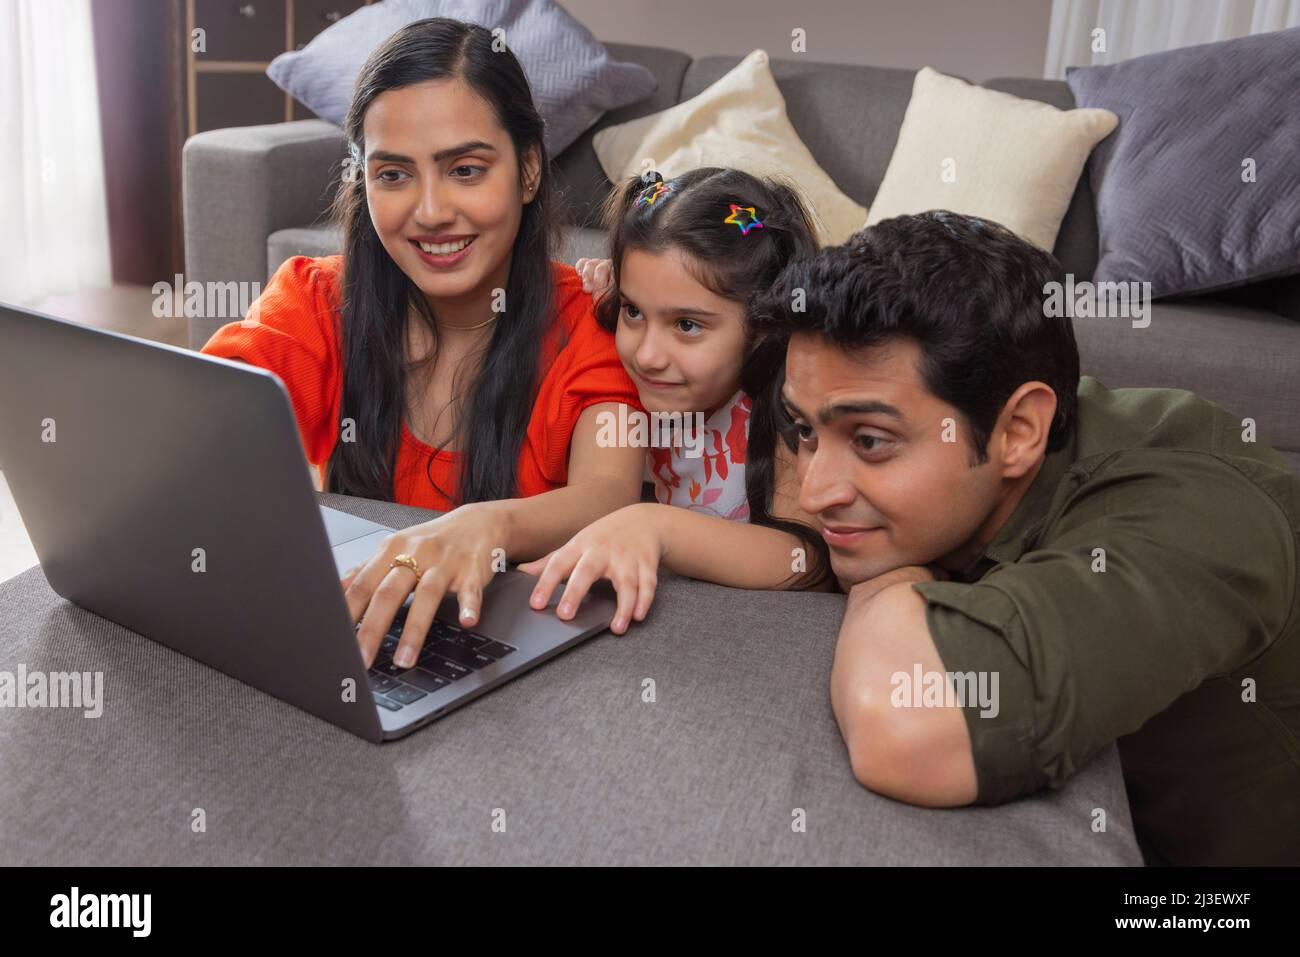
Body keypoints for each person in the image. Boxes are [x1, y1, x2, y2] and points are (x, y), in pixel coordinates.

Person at [750, 209, 1300, 865]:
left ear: (1018, 432)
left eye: (869, 440)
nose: (815, 493)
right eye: (808, 431)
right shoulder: (990, 462)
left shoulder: (1190, 519)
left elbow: (906, 726)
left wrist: (883, 579)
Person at [200, 18, 644, 669]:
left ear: (526, 171)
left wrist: (489, 524)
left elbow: (609, 496)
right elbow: (201, 421)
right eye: (394, 175)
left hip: (520, 667)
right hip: (353, 644)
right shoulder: (313, 297)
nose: (431, 211)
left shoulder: (592, 321)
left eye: (465, 169)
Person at [521, 167, 835, 633]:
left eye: (687, 325)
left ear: (765, 325)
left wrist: (656, 527)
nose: (647, 356)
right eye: (633, 311)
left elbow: (802, 558)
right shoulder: (646, 384)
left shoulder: (786, 408)